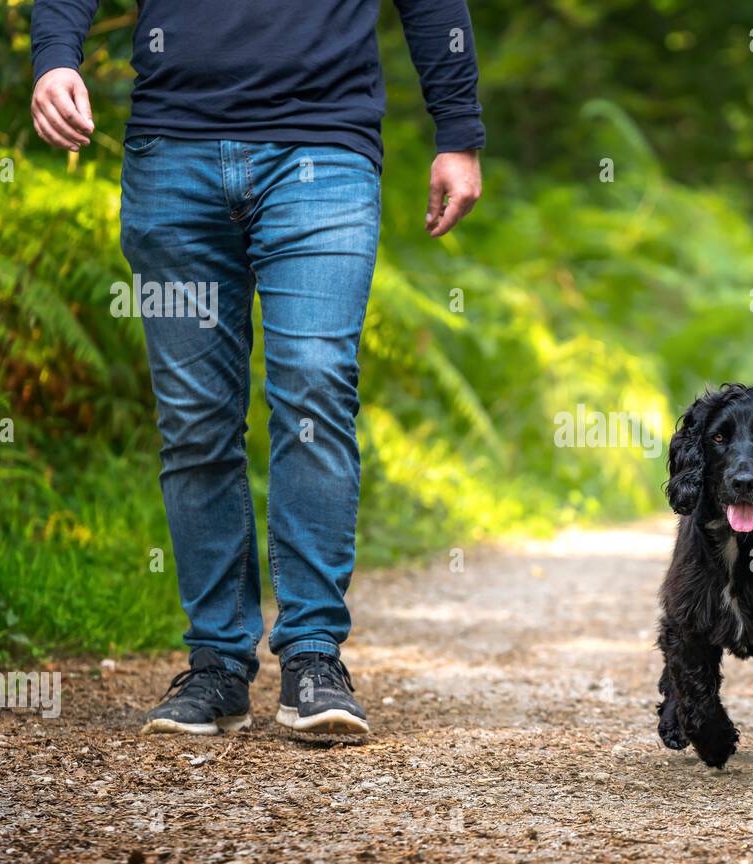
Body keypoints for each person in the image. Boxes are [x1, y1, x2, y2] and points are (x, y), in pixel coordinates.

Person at [30, 0, 486, 736]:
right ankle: (216, 662)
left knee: (315, 386)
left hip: (325, 152)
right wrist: (55, 55)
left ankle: (312, 655)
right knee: (193, 419)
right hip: (172, 153)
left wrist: (458, 130)